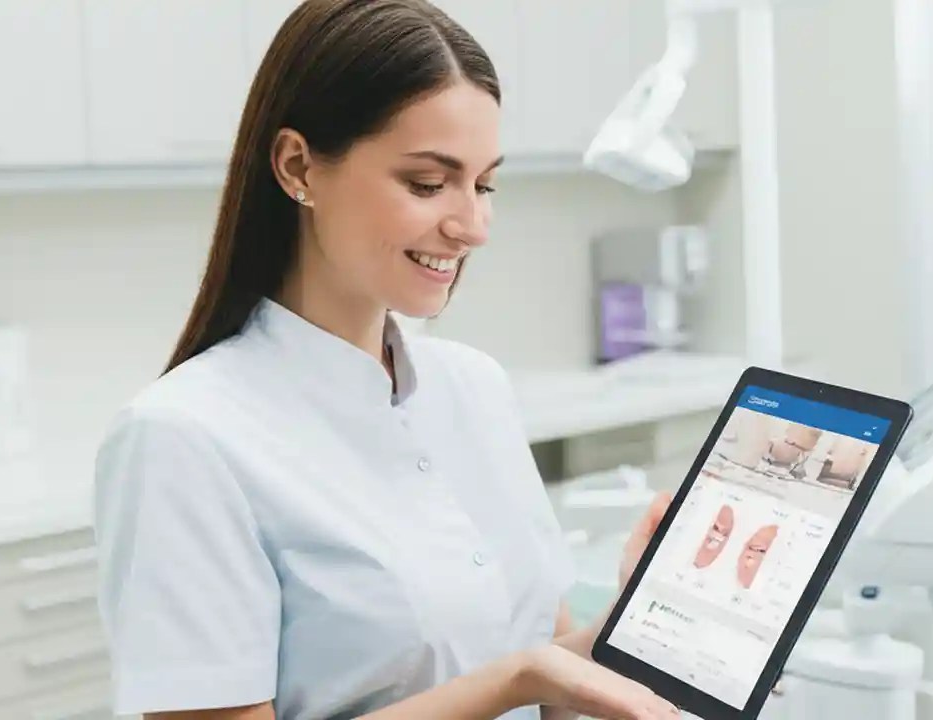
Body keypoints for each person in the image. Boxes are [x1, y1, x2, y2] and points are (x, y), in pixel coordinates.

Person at [91, 2, 682, 718]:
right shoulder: (184, 439)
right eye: (428, 184)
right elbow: (528, 676)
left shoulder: (474, 389)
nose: (472, 226)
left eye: (484, 184)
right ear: (297, 166)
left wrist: (637, 624)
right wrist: (517, 679)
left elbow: (551, 670)